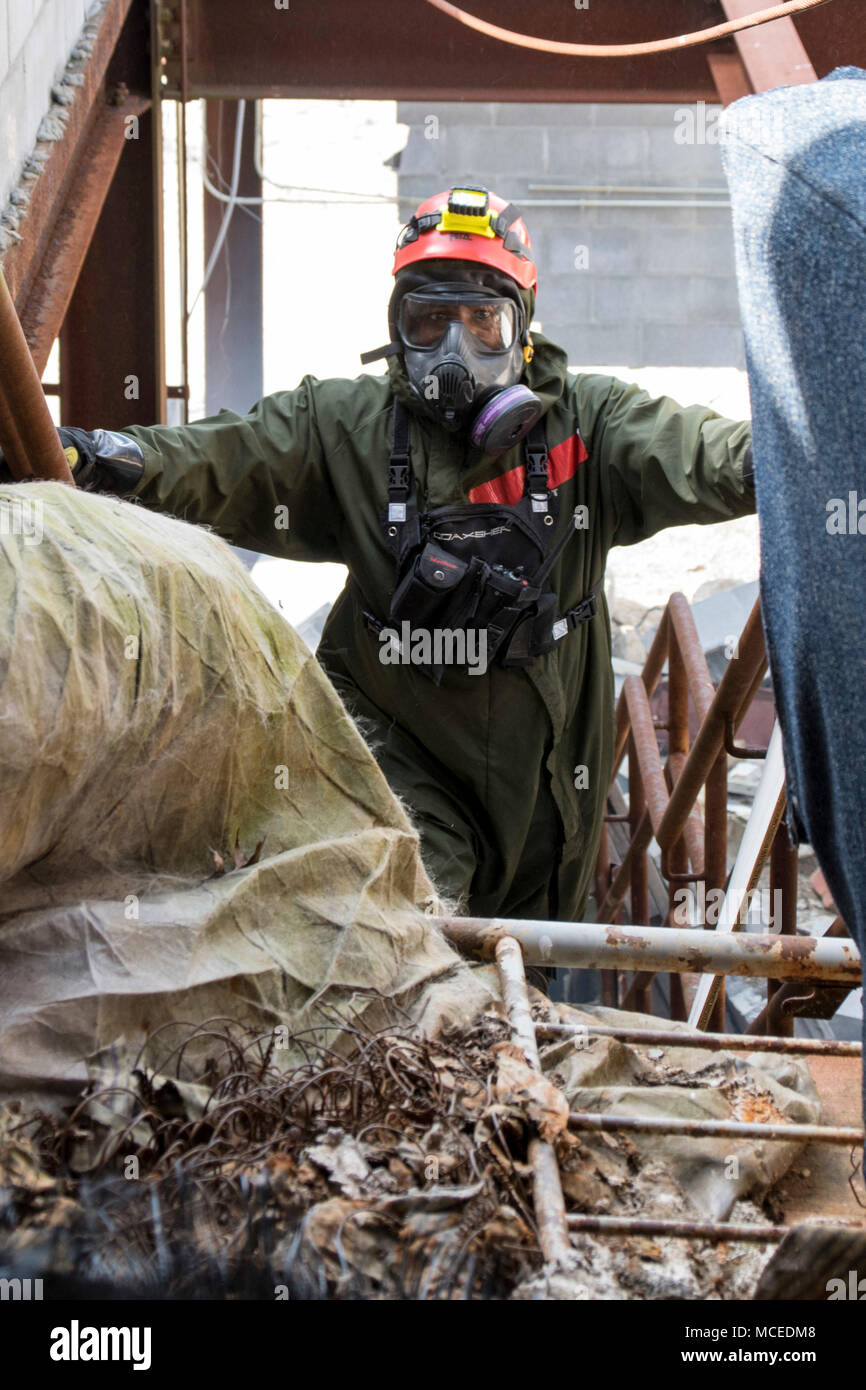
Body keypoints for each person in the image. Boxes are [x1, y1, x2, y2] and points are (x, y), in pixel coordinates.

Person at [41, 185, 756, 922]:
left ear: (523, 331)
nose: (454, 351)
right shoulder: (346, 430)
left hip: (548, 788)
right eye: (429, 321)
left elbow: (704, 455)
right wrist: (96, 457)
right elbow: (220, 459)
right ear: (397, 328)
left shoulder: (590, 430)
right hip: (400, 758)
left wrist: (783, 455)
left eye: (483, 321)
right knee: (411, 930)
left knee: (537, 956)